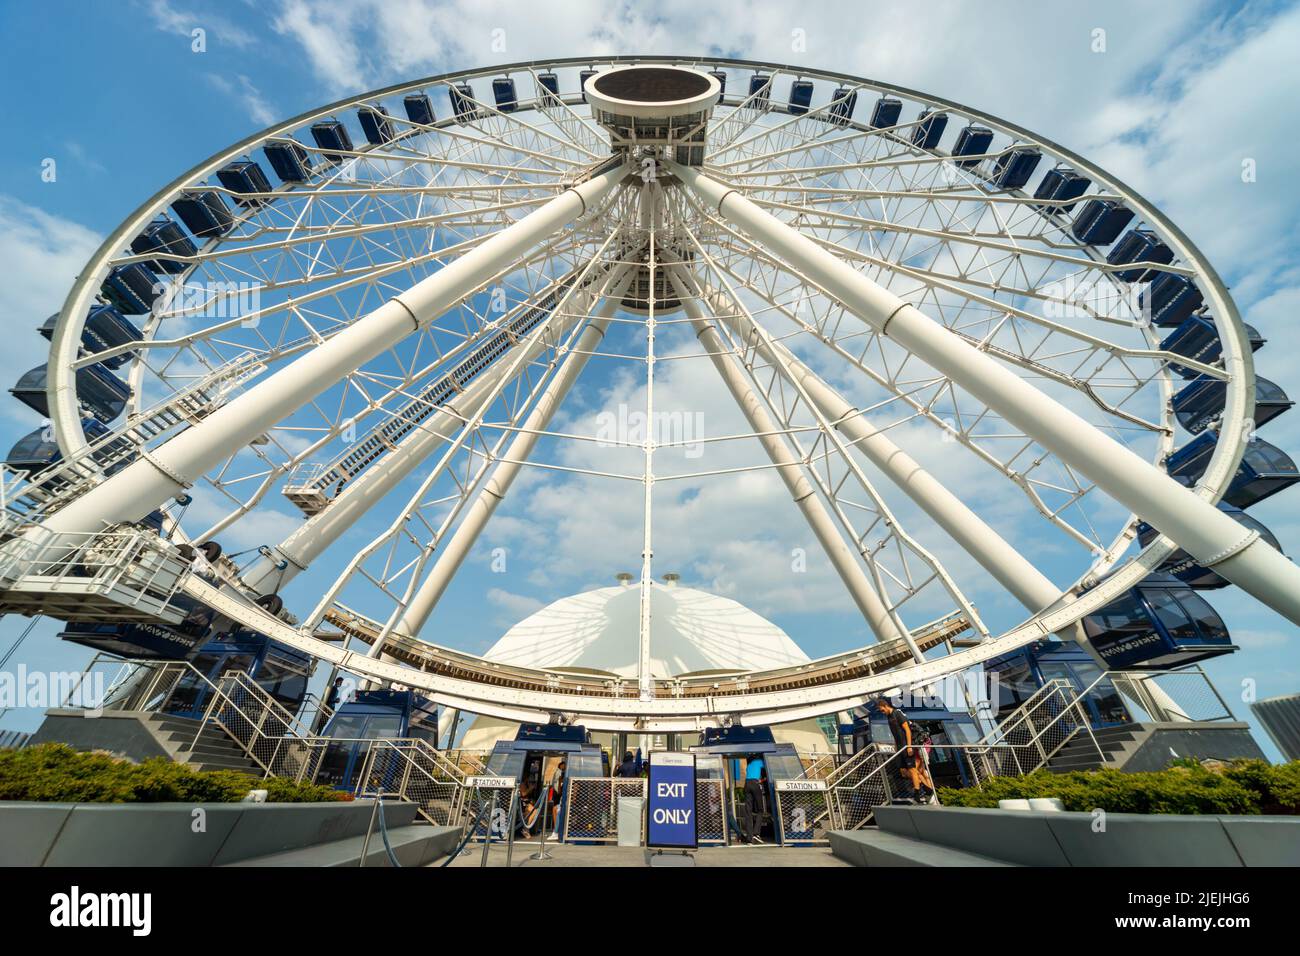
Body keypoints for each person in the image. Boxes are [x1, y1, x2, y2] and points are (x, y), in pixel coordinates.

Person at [876, 698, 933, 803]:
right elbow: (895, 734)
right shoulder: (889, 717)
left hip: (906, 746)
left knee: (912, 769)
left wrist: (909, 746)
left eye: (882, 710)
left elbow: (907, 730)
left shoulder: (897, 713)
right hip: (899, 747)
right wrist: (896, 747)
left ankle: (917, 792)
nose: (882, 712)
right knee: (903, 772)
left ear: (885, 706)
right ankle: (926, 788)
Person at [742, 756, 765, 844]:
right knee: (760, 810)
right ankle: (756, 833)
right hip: (755, 784)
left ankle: (749, 838)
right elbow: (766, 770)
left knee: (748, 811)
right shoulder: (760, 761)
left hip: (746, 784)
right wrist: (763, 780)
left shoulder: (749, 765)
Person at [547, 758, 567, 839]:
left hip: (558, 793)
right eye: (563, 765)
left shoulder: (560, 773)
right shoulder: (559, 772)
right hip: (557, 793)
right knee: (555, 808)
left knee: (557, 809)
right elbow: (558, 782)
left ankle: (556, 830)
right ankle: (556, 829)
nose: (564, 767)